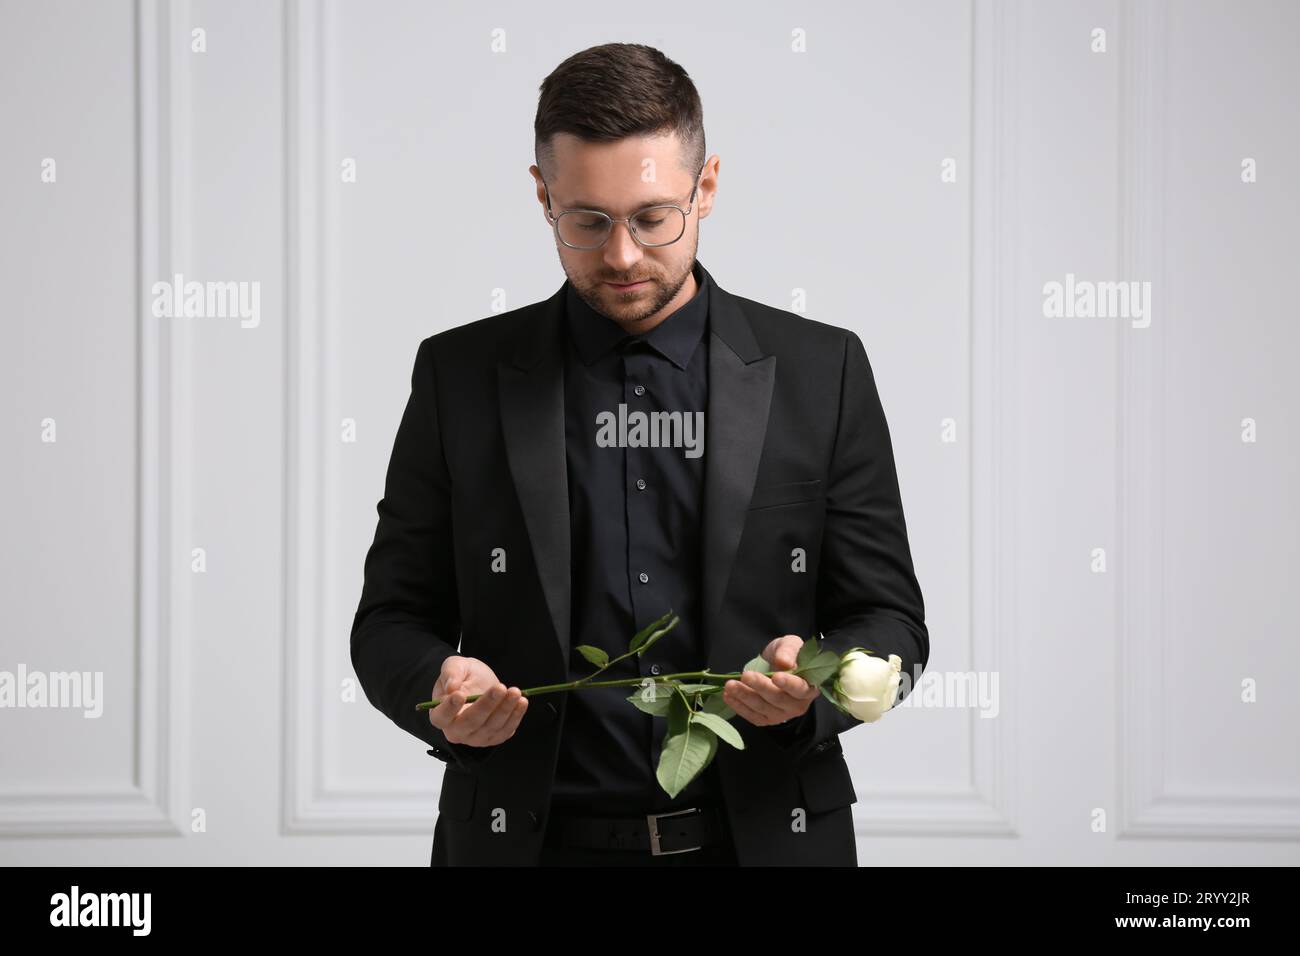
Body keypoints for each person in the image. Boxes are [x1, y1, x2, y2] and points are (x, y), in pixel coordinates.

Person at [350, 42, 929, 866]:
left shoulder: (823, 370)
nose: (622, 256)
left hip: (766, 842)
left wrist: (820, 687)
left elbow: (895, 623)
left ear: (708, 188)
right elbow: (389, 622)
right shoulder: (458, 376)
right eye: (587, 221)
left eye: (653, 217)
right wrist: (438, 690)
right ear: (542, 197)